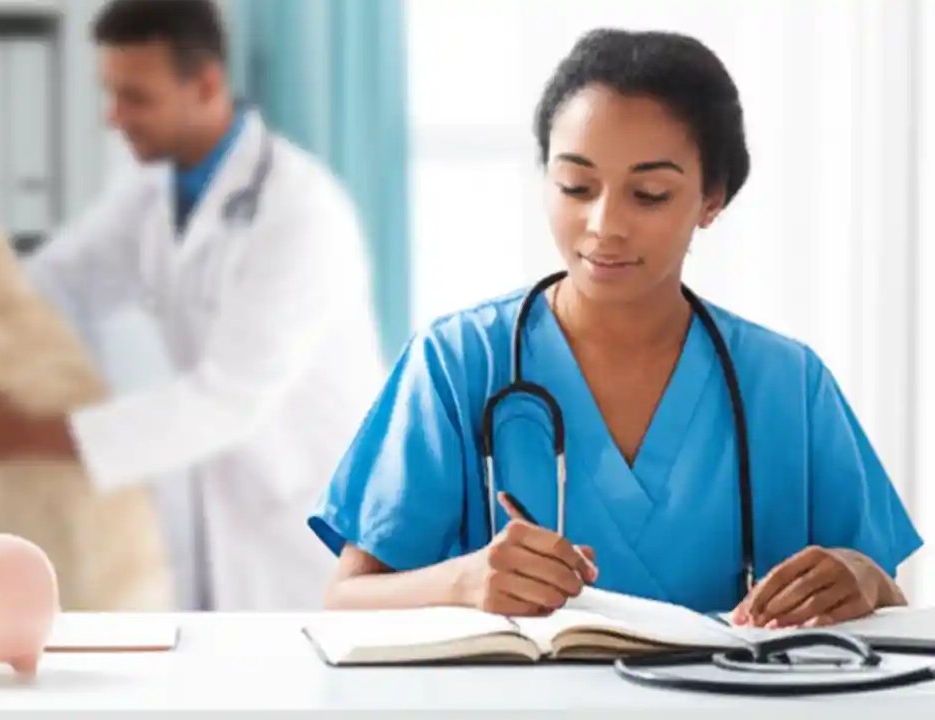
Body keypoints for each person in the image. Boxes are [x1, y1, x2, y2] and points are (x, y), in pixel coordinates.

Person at [309, 28, 922, 628]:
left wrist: (861, 578)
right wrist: (463, 582)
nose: (604, 224)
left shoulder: (788, 385)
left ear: (712, 199)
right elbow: (347, 600)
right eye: (575, 186)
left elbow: (886, 601)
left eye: (649, 194)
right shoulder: (458, 363)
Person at [0, 0, 384, 611]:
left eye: (136, 98)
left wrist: (18, 433)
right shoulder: (151, 194)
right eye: (110, 94)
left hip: (309, 517)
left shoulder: (298, 210)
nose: (114, 118)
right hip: (212, 503)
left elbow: (226, 399)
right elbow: (56, 282)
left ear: (206, 85)